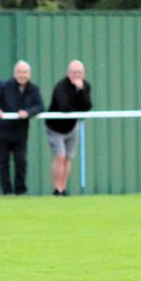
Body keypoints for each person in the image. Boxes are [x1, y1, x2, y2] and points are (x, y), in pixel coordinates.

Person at [0, 60, 45, 195]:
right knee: (3, 164)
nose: (22, 75)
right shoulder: (5, 86)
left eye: (25, 73)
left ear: (29, 74)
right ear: (15, 73)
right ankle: (7, 192)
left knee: (21, 161)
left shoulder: (34, 89)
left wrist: (28, 112)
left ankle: (21, 191)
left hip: (20, 133)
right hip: (1, 132)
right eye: (20, 72)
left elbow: (40, 106)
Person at [45, 60, 93, 196]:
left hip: (71, 127)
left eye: (79, 72)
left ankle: (63, 188)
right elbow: (64, 107)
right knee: (60, 156)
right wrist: (77, 104)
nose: (76, 75)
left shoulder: (86, 86)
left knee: (68, 158)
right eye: (74, 72)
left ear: (83, 73)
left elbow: (87, 106)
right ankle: (56, 189)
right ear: (68, 73)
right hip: (55, 127)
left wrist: (81, 90)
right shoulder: (61, 86)